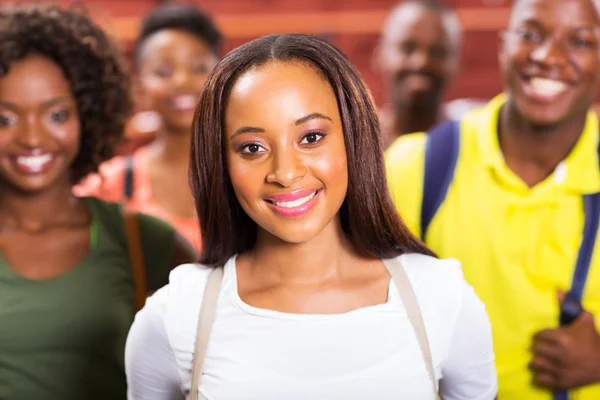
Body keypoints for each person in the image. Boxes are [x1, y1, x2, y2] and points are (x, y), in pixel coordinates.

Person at [125, 33, 498, 400]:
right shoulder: (176, 318)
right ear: (222, 162)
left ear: (353, 138)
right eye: (252, 148)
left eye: (311, 137)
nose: (285, 173)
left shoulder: (440, 297)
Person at [386, 0, 600, 398]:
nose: (548, 56)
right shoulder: (415, 167)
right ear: (503, 46)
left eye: (581, 41)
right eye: (531, 34)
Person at [0, 5, 196, 400]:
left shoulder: (146, 241)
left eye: (56, 114)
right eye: (5, 119)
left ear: (88, 114)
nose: (33, 138)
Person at [74, 3, 222, 251]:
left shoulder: (247, 172)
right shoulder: (110, 184)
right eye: (163, 72)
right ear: (140, 87)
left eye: (198, 68)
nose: (182, 81)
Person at [374, 0, 462, 148]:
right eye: (407, 48)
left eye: (437, 52)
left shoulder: (469, 141)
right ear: (380, 55)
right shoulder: (352, 145)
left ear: (456, 62)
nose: (421, 62)